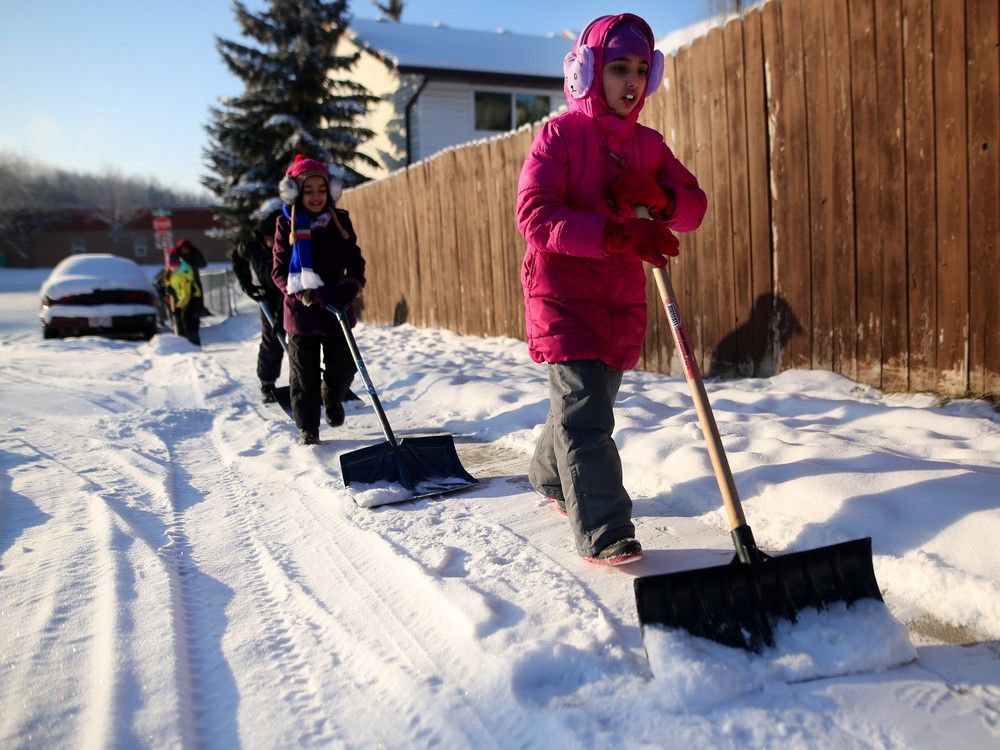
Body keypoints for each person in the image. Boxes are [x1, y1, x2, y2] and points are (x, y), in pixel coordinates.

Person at [516, 13, 708, 565]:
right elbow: (535, 216)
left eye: (642, 70)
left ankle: (550, 475)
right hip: (561, 296)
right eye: (619, 67)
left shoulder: (648, 146)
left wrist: (663, 200)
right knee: (587, 417)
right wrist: (613, 234)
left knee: (587, 404)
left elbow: (693, 207)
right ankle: (604, 529)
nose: (631, 81)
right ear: (587, 72)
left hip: (619, 301)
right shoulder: (559, 135)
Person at [272, 154, 366, 445]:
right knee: (304, 377)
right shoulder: (286, 224)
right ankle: (308, 429)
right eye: (309, 190)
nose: (316, 197)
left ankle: (333, 396)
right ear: (296, 192)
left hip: (336, 305)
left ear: (330, 191)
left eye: (321, 190)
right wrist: (302, 292)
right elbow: (279, 270)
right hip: (302, 311)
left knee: (344, 367)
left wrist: (351, 286)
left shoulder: (340, 221)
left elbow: (355, 261)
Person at [230, 211, 286, 402]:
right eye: (269, 237)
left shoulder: (290, 245)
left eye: (275, 238)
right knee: (272, 339)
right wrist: (247, 285)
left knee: (302, 340)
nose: (272, 242)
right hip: (269, 297)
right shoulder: (251, 246)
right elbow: (236, 255)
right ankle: (267, 384)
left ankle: (308, 381)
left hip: (293, 295)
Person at [165, 249, 203, 346]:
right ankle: (185, 344)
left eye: (174, 266)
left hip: (192, 299)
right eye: (171, 266)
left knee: (188, 321)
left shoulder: (184, 273)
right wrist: (168, 286)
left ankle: (194, 344)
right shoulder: (172, 271)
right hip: (182, 299)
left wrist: (179, 307)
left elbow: (186, 294)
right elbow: (168, 279)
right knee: (181, 321)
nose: (173, 268)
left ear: (178, 264)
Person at [173, 238, 210, 316]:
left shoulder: (194, 254)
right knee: (184, 298)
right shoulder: (177, 257)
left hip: (194, 280)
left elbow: (203, 264)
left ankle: (197, 311)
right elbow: (172, 267)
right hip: (181, 281)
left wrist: (195, 256)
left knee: (196, 297)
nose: (185, 250)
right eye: (183, 249)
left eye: (186, 248)